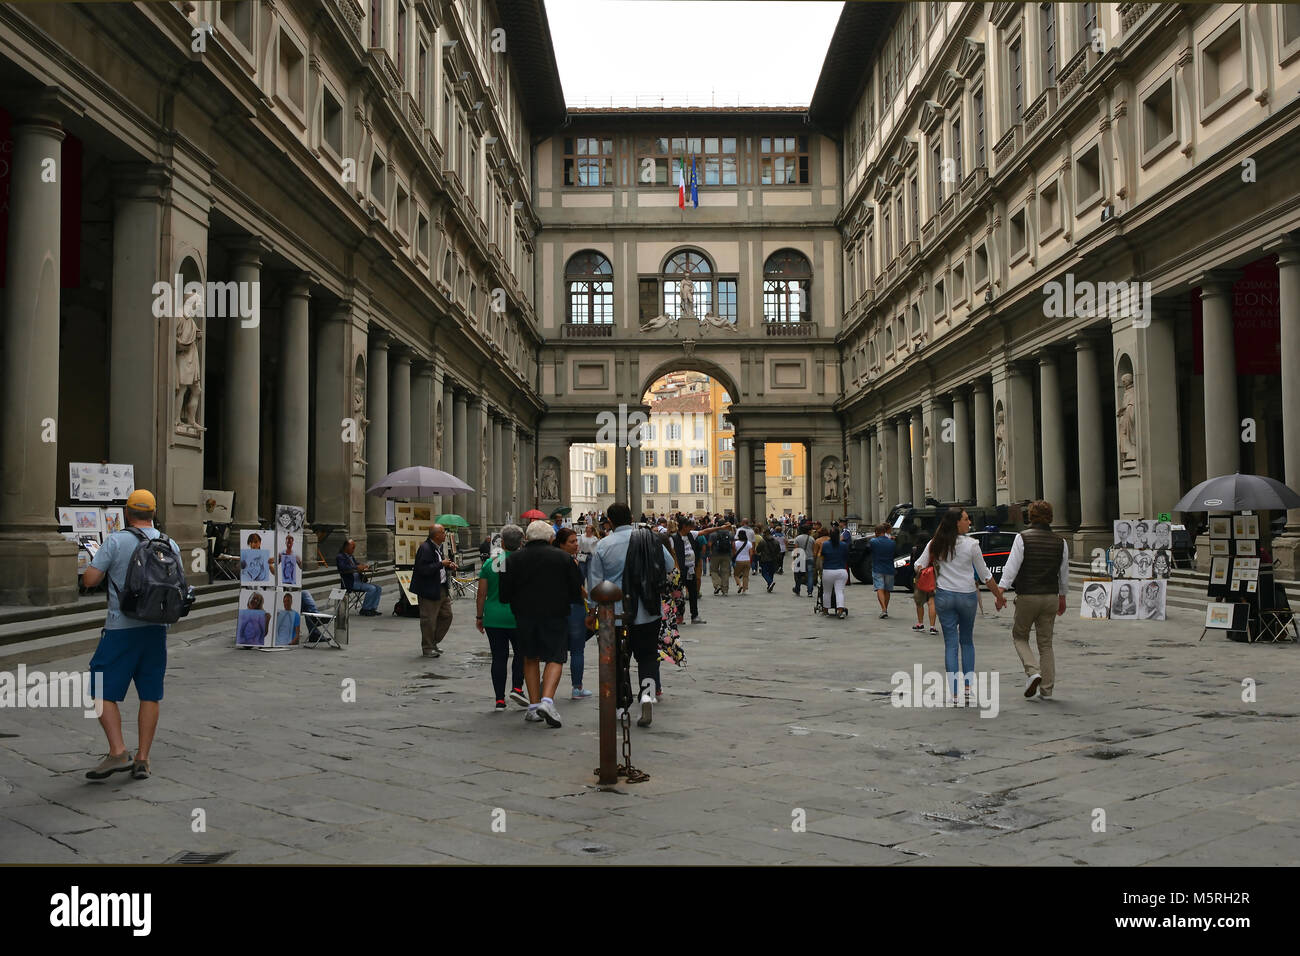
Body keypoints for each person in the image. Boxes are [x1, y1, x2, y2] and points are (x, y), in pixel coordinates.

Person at [80, 489, 182, 781]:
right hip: (156, 628)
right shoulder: (169, 543)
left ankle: (117, 751)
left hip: (121, 627)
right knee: (150, 693)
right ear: (153, 512)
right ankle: (143, 759)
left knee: (100, 688)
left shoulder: (116, 540)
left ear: (127, 512)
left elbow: (90, 580)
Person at [587, 503, 675, 728]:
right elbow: (669, 564)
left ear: (609, 521)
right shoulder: (650, 539)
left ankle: (620, 705)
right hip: (647, 610)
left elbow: (595, 582)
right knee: (646, 656)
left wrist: (591, 610)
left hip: (614, 614)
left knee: (616, 659)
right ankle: (647, 695)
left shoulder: (604, 545)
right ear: (632, 517)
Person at [914, 507, 1007, 703]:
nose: (969, 523)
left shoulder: (935, 543)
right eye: (966, 519)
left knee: (950, 643)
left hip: (944, 595)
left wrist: (933, 569)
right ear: (957, 522)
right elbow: (985, 576)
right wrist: (998, 596)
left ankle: (954, 692)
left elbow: (918, 565)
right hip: (967, 596)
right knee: (966, 641)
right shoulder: (972, 545)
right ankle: (967, 687)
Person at [500, 521, 583, 728]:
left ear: (526, 538)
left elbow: (503, 595)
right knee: (555, 657)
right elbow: (575, 591)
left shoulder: (511, 559)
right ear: (551, 538)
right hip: (555, 614)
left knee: (530, 658)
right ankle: (547, 701)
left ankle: (533, 706)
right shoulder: (564, 558)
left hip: (524, 615)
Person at [997, 500, 1069, 700]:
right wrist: (1062, 597)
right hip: (1050, 597)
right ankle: (1047, 689)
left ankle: (1032, 671)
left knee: (1020, 636)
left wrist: (1000, 590)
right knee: (1046, 643)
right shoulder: (1060, 541)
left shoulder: (1023, 538)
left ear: (1031, 516)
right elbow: (1064, 573)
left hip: (1028, 595)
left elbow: (1011, 568)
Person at [476, 523, 527, 711]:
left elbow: (481, 594)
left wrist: (479, 616)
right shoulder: (524, 561)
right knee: (521, 654)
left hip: (494, 616)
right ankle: (517, 688)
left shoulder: (493, 562)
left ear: (502, 542)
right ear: (521, 542)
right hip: (518, 616)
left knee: (499, 657)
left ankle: (499, 699)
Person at [555, 528, 594, 700]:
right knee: (577, 650)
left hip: (556, 608)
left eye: (576, 541)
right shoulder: (570, 562)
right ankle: (577, 688)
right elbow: (577, 587)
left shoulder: (555, 559)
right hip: (574, 608)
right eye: (572, 542)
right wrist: (589, 600)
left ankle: (545, 687)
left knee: (556, 650)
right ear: (562, 544)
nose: (576, 544)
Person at [411, 523, 456, 657]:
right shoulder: (425, 548)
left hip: (441, 587)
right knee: (428, 620)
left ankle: (433, 642)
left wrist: (448, 565)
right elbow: (423, 569)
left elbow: (438, 565)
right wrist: (441, 564)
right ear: (436, 535)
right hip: (428, 589)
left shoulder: (437, 547)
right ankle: (427, 647)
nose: (445, 535)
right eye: (443, 532)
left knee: (447, 616)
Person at [669, 517, 706, 624]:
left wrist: (720, 528)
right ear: (684, 526)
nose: (691, 528)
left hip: (691, 570)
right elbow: (672, 553)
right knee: (678, 595)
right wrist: (676, 568)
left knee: (693, 593)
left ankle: (695, 616)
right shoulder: (673, 538)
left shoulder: (691, 535)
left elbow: (704, 531)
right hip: (680, 571)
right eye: (689, 526)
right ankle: (678, 617)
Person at [337, 539, 382, 615]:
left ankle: (372, 608)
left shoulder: (351, 556)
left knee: (378, 588)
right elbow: (343, 567)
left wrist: (365, 567)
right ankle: (365, 609)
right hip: (350, 582)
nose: (353, 549)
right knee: (372, 588)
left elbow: (357, 564)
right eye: (352, 547)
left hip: (359, 581)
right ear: (346, 547)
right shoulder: (340, 557)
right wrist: (356, 567)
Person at [815, 522, 850, 611]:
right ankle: (840, 610)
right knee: (839, 592)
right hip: (841, 570)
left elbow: (821, 556)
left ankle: (826, 609)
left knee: (827, 592)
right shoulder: (844, 545)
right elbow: (846, 557)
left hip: (828, 570)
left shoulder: (825, 544)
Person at [867, 523, 897, 618]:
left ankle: (883, 609)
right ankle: (885, 609)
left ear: (876, 532)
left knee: (880, 588)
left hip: (878, 567)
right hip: (889, 568)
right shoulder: (892, 542)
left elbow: (868, 547)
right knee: (887, 590)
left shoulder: (874, 541)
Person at [911, 533, 937, 633]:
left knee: (919, 601)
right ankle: (932, 626)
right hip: (934, 576)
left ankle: (920, 623)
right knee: (932, 601)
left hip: (923, 575)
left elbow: (918, 563)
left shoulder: (931, 543)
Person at [709, 522, 734, 595]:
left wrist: (710, 552)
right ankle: (725, 590)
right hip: (726, 554)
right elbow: (733, 544)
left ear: (717, 525)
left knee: (713, 570)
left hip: (715, 554)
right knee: (725, 572)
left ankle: (718, 584)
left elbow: (709, 544)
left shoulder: (713, 534)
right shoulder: (730, 534)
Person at [792, 525, 816, 596]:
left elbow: (796, 549)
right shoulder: (811, 539)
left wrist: (794, 558)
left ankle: (797, 589)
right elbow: (813, 550)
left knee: (798, 575)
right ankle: (810, 592)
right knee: (810, 575)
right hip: (810, 558)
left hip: (800, 559)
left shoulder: (797, 538)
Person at [756, 526, 781, 593]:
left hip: (765, 559)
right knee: (771, 572)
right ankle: (769, 585)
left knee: (764, 573)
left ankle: (770, 582)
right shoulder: (776, 541)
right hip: (773, 559)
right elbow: (779, 550)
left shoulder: (762, 541)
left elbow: (758, 550)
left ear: (765, 533)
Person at [732, 528, 753, 594]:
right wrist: (750, 560)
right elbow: (751, 553)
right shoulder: (749, 543)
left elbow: (734, 552)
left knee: (736, 574)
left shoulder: (736, 543)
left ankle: (740, 585)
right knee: (746, 575)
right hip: (747, 560)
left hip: (739, 560)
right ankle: (744, 590)